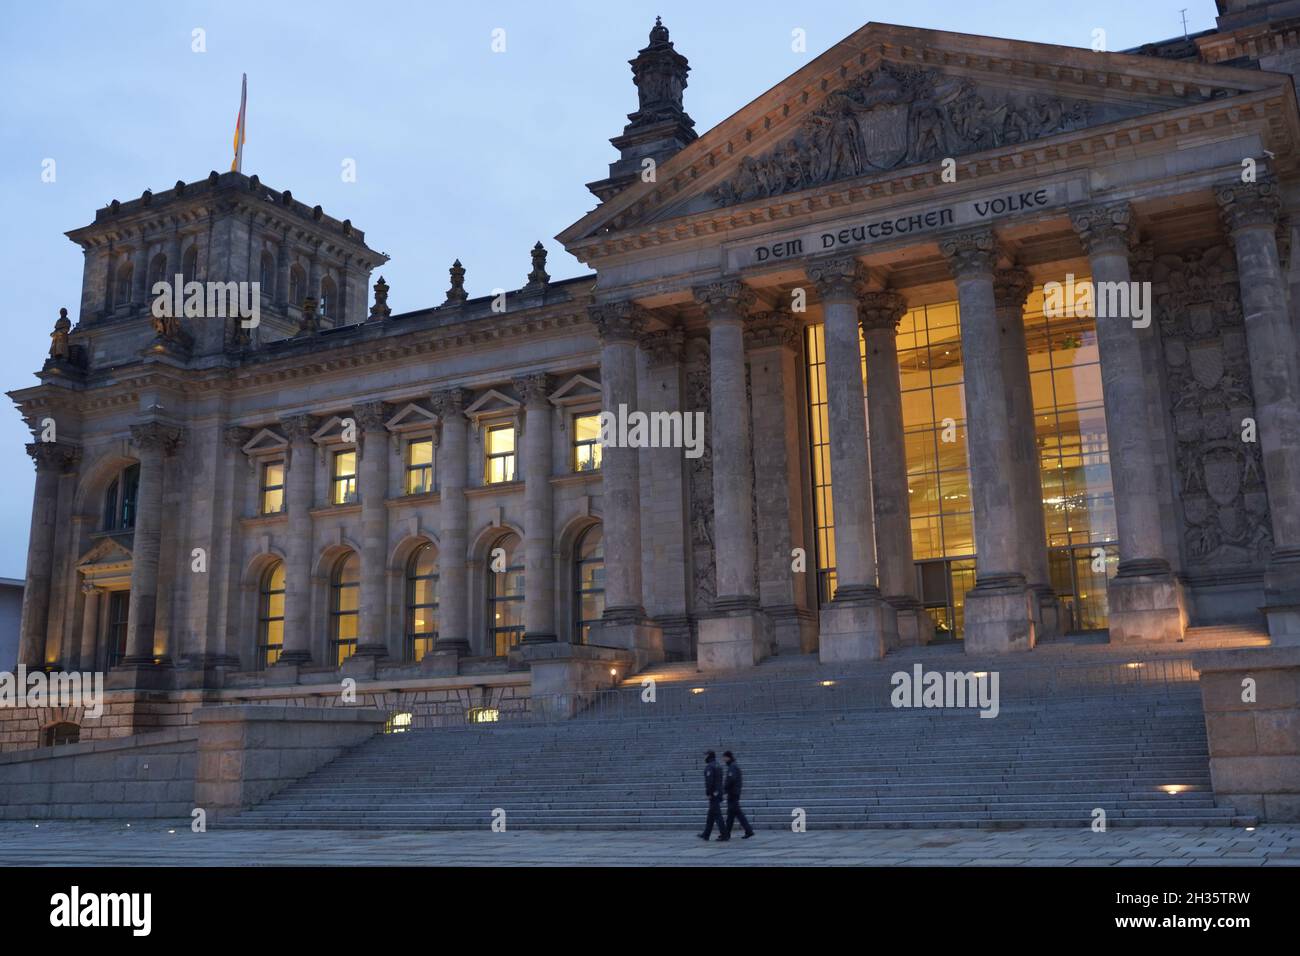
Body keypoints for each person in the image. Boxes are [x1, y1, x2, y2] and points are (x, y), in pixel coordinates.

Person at [721, 750, 755, 840]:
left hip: (733, 793)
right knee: (731, 815)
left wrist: (724, 790)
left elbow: (731, 780)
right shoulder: (733, 766)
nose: (723, 759)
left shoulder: (732, 767)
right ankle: (727, 833)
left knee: (737, 813)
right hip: (734, 793)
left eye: (724, 757)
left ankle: (748, 830)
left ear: (728, 757)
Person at [697, 750, 725, 841]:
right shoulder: (718, 765)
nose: (704, 758)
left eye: (705, 755)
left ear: (709, 756)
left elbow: (709, 782)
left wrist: (709, 793)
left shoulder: (710, 767)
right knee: (711, 815)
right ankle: (706, 834)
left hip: (713, 794)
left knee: (717, 815)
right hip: (718, 792)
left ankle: (724, 834)